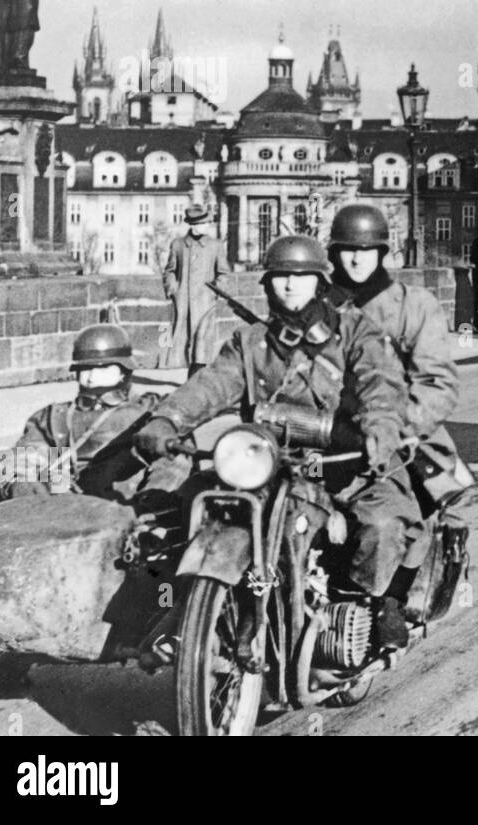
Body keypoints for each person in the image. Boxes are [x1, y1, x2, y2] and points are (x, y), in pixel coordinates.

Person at [134, 235, 419, 650]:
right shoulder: (251, 341)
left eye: (301, 276)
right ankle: (183, 612)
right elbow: (213, 384)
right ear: (267, 284)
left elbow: (381, 383)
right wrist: (168, 418)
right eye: (280, 276)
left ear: (320, 283)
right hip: (267, 459)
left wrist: (379, 430)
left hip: (346, 461)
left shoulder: (358, 332)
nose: (289, 285)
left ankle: (370, 603)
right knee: (188, 502)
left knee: (381, 524)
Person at [326, 204, 461, 601]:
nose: (355, 258)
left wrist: (396, 427)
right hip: (324, 436)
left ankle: (389, 601)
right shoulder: (318, 305)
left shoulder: (413, 305)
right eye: (346, 249)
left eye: (366, 250)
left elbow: (437, 384)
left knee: (403, 518)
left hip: (400, 438)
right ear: (333, 253)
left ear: (383, 253)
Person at [0, 324, 184, 509]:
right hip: (59, 506)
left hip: (122, 505)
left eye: (103, 368)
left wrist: (150, 502)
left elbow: (171, 458)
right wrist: (23, 485)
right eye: (85, 368)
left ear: (123, 372)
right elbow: (26, 455)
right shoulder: (55, 416)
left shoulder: (148, 411)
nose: (92, 376)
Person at [161, 203, 231, 376]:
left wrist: (214, 291)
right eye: (202, 223)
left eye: (207, 223)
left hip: (205, 303)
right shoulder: (178, 245)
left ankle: (197, 374)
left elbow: (223, 273)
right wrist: (173, 289)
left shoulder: (215, 245)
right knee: (181, 340)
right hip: (183, 302)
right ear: (193, 225)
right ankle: (186, 373)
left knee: (202, 342)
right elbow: (169, 271)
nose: (206, 226)